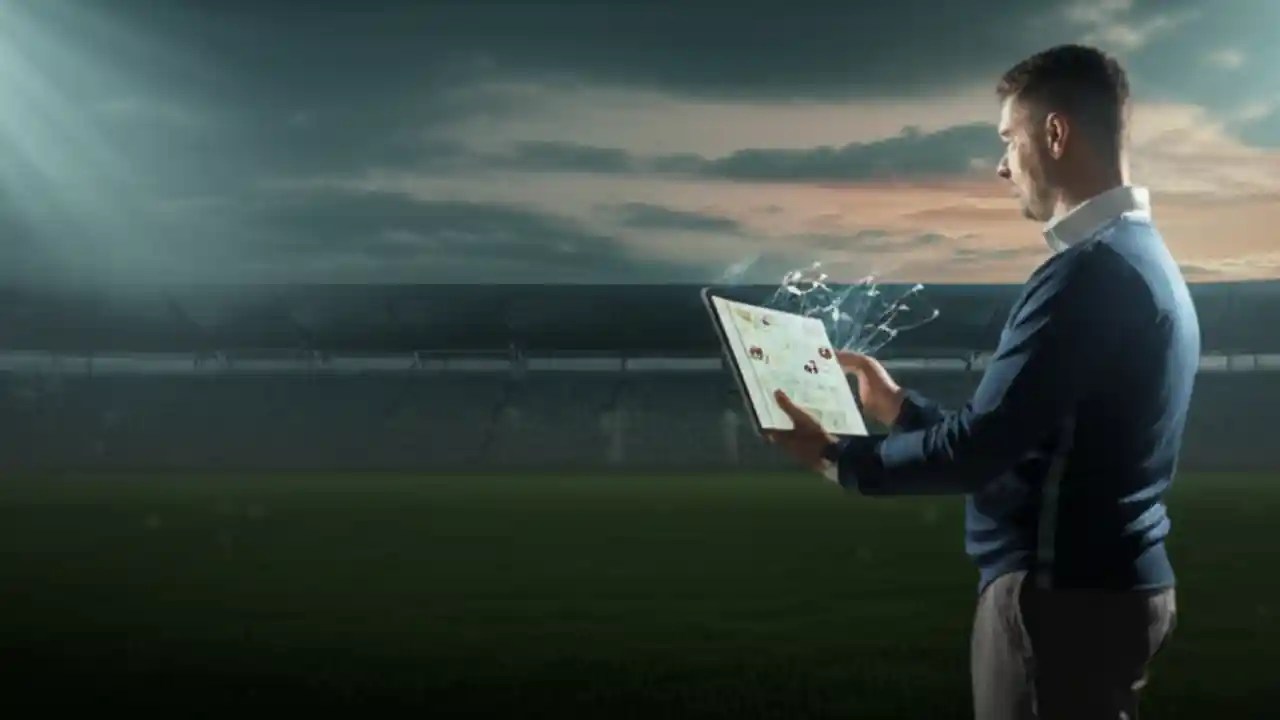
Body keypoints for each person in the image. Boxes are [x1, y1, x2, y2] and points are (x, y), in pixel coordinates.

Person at [768, 44, 1198, 719]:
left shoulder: (1089, 273)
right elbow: (1025, 443)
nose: (1002, 166)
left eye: (1007, 139)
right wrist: (900, 408)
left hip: (1059, 600)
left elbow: (980, 451)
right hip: (1107, 586)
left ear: (1054, 133)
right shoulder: (1143, 259)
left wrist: (834, 456)